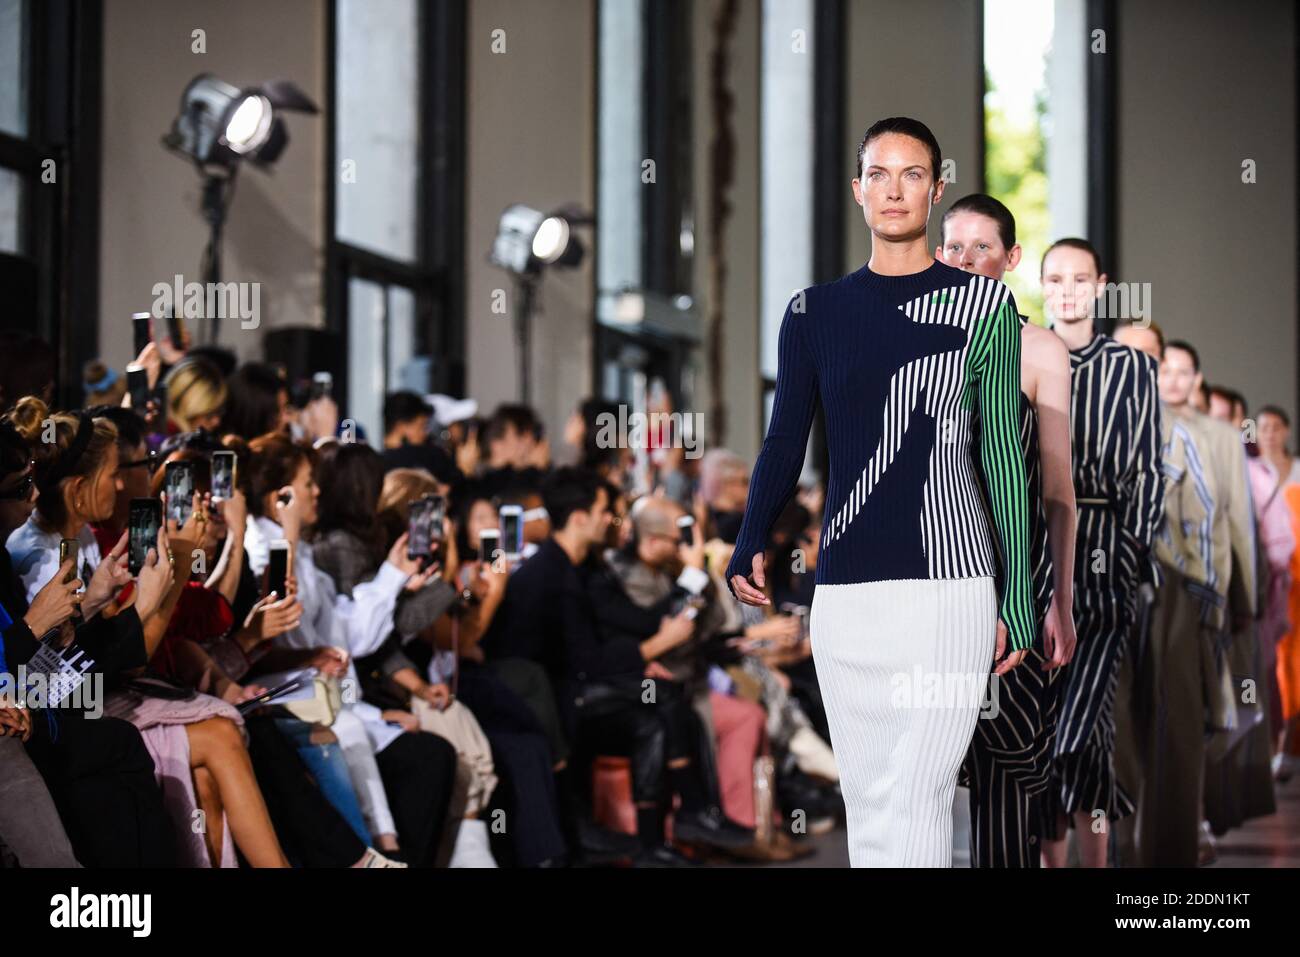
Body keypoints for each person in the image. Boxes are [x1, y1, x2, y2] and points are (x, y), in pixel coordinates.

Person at [726, 117, 1034, 867]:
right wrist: (749, 537)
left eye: (913, 174)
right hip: (847, 591)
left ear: (936, 188)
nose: (895, 190)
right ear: (859, 189)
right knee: (869, 798)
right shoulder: (812, 312)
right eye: (880, 174)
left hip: (951, 584)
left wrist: (1017, 595)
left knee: (921, 791)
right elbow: (782, 437)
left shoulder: (985, 308)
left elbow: (1000, 454)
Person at [937, 193, 1079, 867]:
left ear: (1012, 257)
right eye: (954, 248)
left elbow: (1057, 492)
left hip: (1013, 578)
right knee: (924, 775)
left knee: (1004, 769)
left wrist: (1060, 599)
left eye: (981, 248)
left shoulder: (1039, 348)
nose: (965, 261)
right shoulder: (917, 342)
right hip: (931, 579)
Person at [1038, 238, 1163, 868]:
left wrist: (1133, 555)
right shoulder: (1022, 354)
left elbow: (1147, 468)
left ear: (1099, 286)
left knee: (1073, 718)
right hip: (1036, 554)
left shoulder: (1133, 368)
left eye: (1078, 279)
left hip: (1107, 551)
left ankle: (1046, 762)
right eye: (1055, 278)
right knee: (1082, 725)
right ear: (1042, 285)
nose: (1066, 290)